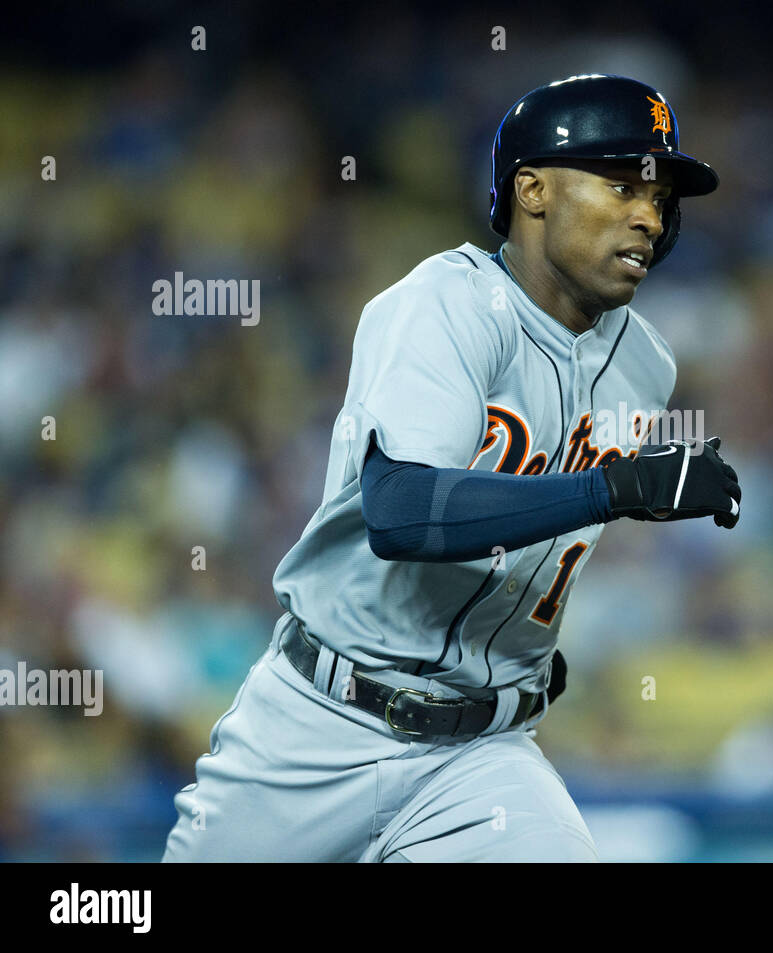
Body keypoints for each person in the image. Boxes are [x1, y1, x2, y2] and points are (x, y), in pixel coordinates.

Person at [162, 74, 741, 862]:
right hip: (317, 731)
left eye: (662, 196)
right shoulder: (443, 305)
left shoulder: (646, 363)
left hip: (479, 757)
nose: (650, 214)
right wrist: (616, 487)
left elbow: (530, 545)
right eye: (621, 184)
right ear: (532, 190)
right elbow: (402, 511)